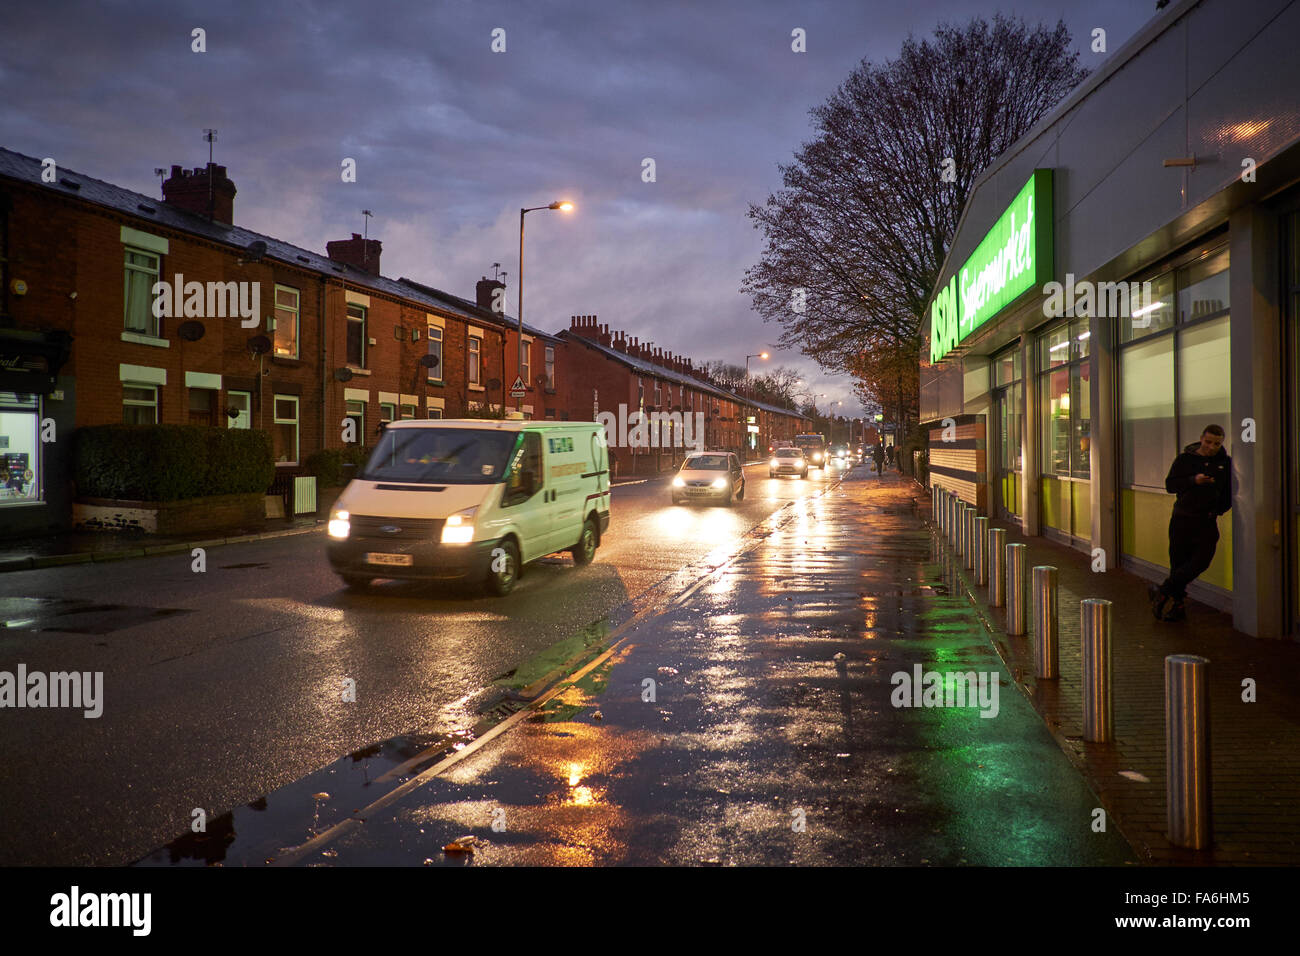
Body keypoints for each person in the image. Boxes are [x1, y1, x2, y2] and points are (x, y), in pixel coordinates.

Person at [1150, 424, 1232, 622]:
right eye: (1208, 442)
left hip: (1207, 520)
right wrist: (1193, 480)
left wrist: (1218, 510)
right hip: (1183, 518)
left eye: (1217, 444)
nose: (1212, 447)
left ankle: (1163, 590)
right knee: (1178, 562)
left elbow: (1229, 492)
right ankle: (1177, 606)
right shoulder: (1185, 459)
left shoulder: (1225, 463)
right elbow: (1171, 485)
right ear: (1201, 438)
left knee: (1202, 560)